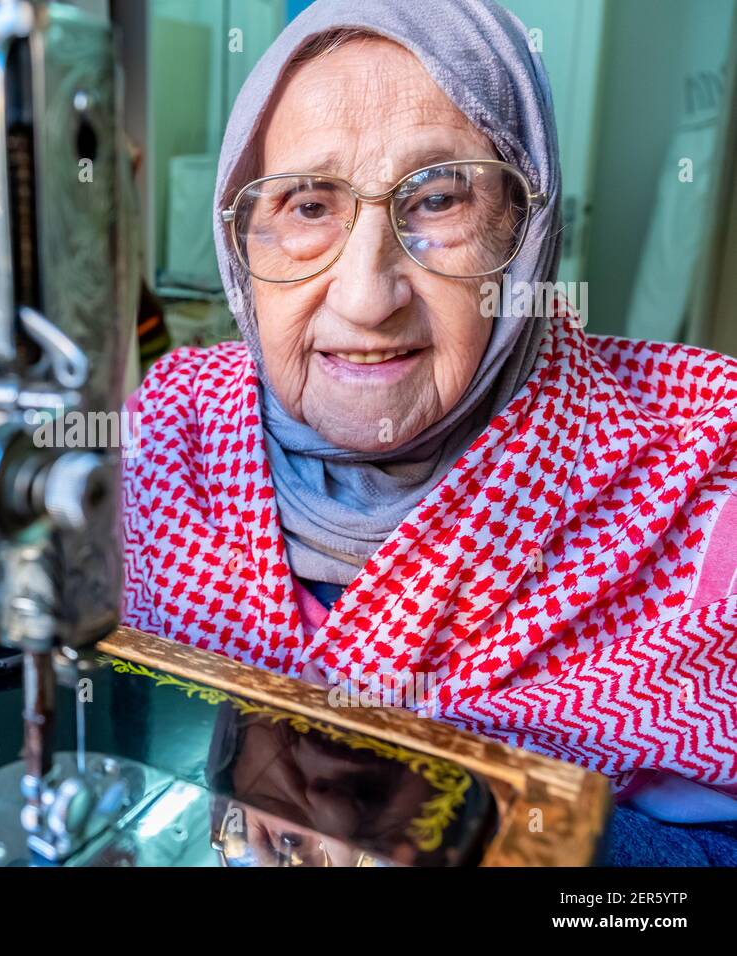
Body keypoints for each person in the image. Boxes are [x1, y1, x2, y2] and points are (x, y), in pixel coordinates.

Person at [121, 0, 737, 863]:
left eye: (439, 197)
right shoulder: (176, 426)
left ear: (524, 231)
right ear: (240, 246)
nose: (368, 297)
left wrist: (467, 825)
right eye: (307, 205)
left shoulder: (705, 481)